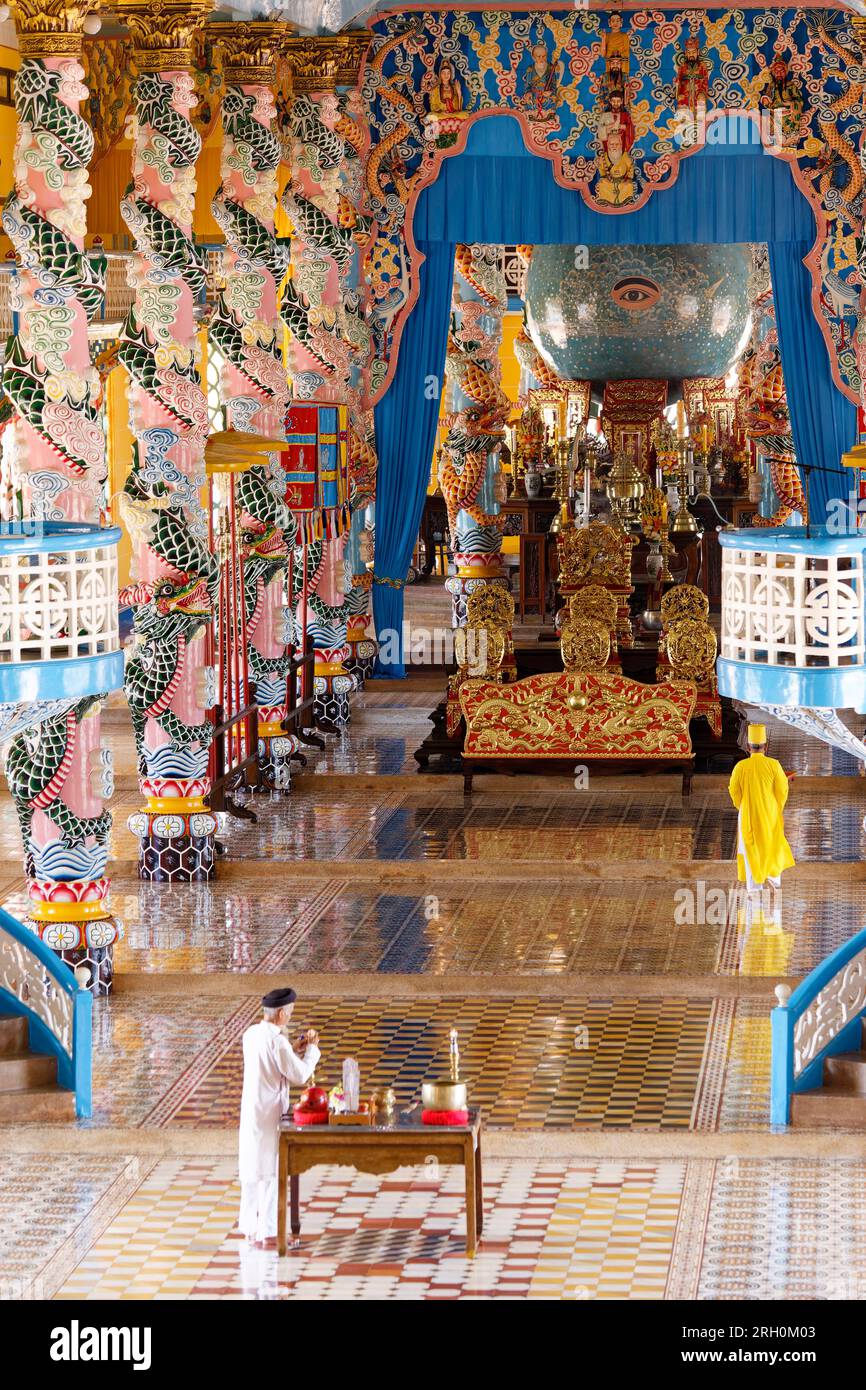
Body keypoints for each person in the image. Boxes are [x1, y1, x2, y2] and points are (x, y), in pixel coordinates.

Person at [238, 986, 320, 1247]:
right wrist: (311, 1051)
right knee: (272, 1172)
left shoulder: (251, 1034)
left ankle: (251, 1229)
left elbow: (270, 1061)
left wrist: (291, 1046)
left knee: (252, 1170)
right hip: (271, 1114)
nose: (291, 1017)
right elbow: (300, 1075)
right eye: (290, 1013)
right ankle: (270, 1233)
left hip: (252, 1112)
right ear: (282, 1014)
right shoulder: (277, 1042)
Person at [728, 724, 795, 894]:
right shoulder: (774, 765)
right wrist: (776, 806)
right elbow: (782, 789)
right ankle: (773, 881)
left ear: (748, 747)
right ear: (766, 746)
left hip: (747, 813)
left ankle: (754, 888)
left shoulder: (740, 767)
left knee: (750, 847)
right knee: (772, 845)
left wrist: (742, 805)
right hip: (770, 813)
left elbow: (734, 790)